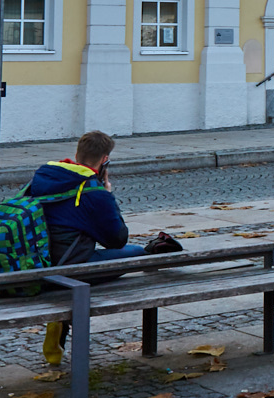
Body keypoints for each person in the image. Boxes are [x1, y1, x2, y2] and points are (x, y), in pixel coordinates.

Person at [31, 131, 170, 364]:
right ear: (105, 159)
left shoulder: (44, 177)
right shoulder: (94, 192)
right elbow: (117, 240)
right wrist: (107, 195)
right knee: (139, 253)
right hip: (71, 268)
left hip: (37, 262)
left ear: (77, 154)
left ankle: (59, 328)